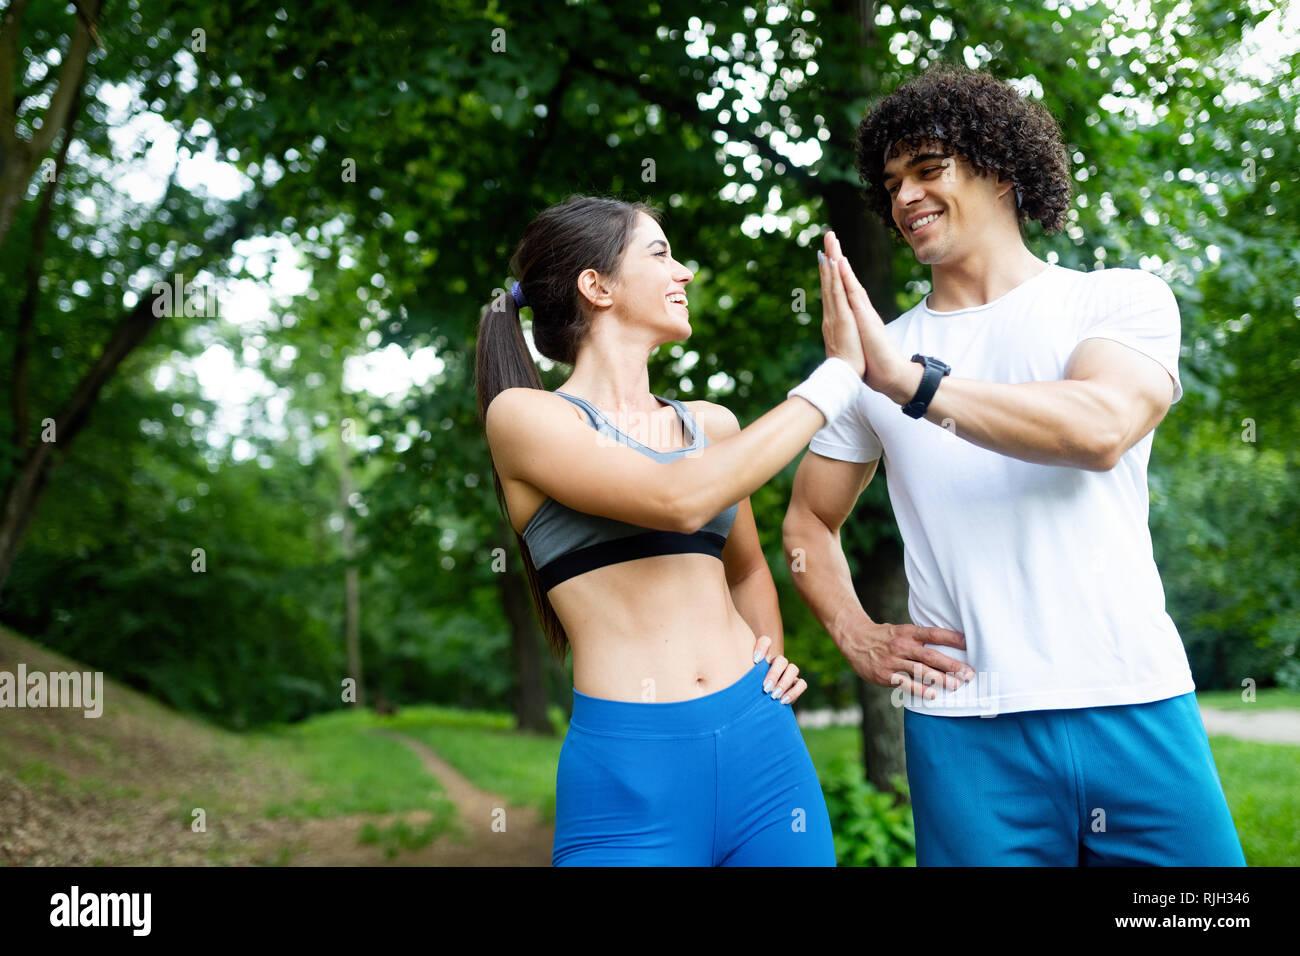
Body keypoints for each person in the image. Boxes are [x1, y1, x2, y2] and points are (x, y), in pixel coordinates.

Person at [782, 65, 1247, 866]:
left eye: (928, 170)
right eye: (891, 183)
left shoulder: (1117, 299)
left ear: (1001, 168)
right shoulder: (874, 358)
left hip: (1131, 699)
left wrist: (912, 383)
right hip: (963, 727)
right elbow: (807, 521)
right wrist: (856, 637)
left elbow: (1099, 427)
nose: (904, 198)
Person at [475, 194, 867, 866]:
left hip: (764, 750)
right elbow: (678, 498)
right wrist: (835, 380)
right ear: (595, 286)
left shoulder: (710, 426)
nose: (684, 272)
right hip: (629, 775)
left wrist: (767, 659)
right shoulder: (526, 418)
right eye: (661, 253)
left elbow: (744, 569)